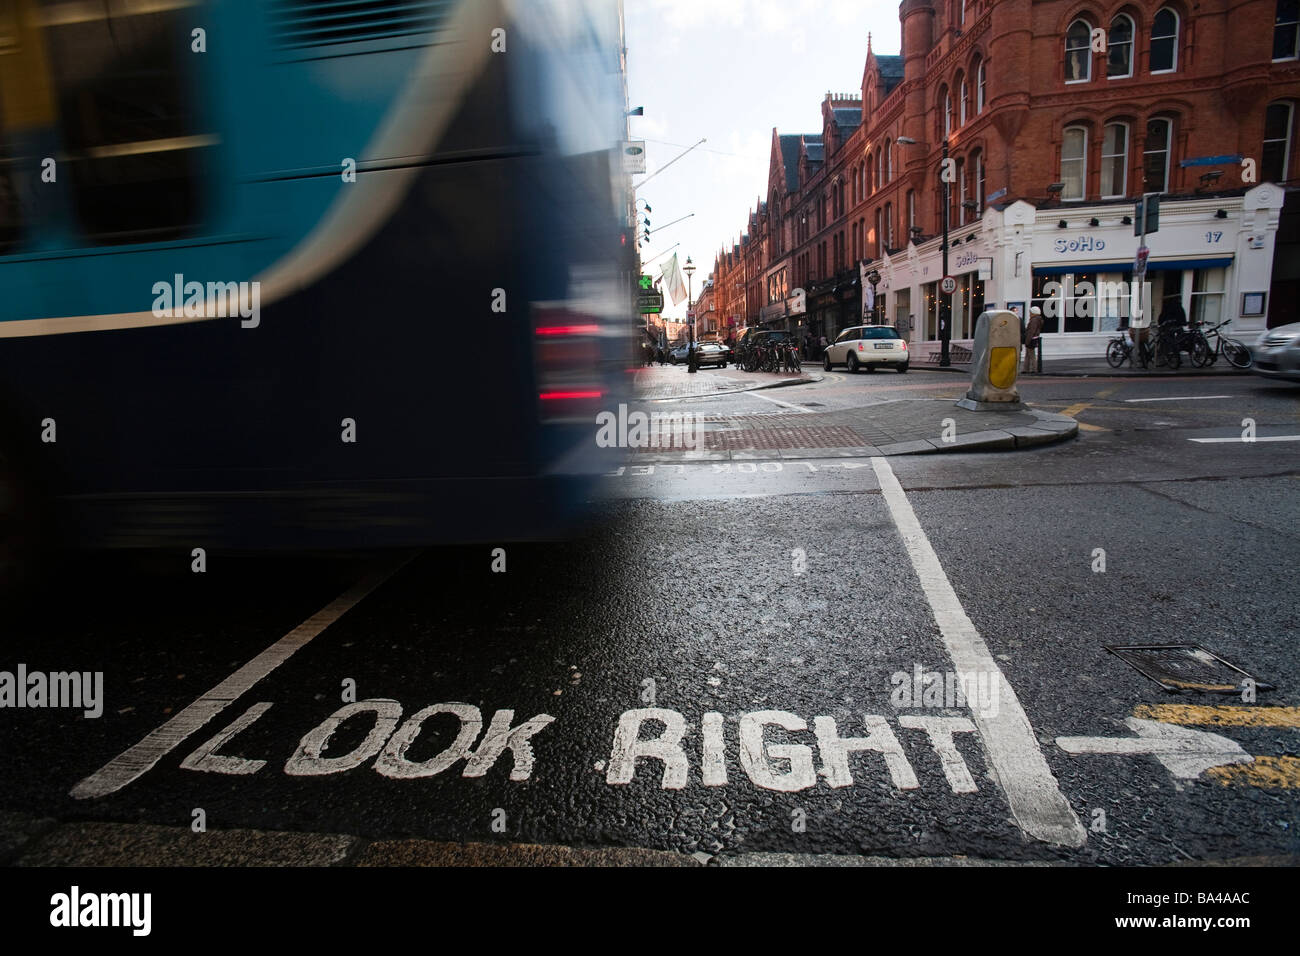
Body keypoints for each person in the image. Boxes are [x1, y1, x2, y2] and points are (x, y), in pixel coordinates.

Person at [1023, 305, 1044, 374]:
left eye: (1030, 312)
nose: (1029, 314)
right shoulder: (1038, 319)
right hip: (1034, 338)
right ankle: (1026, 369)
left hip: (1031, 339)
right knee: (1028, 354)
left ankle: (1034, 369)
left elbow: (1031, 331)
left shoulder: (1034, 320)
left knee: (1031, 355)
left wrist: (1027, 341)